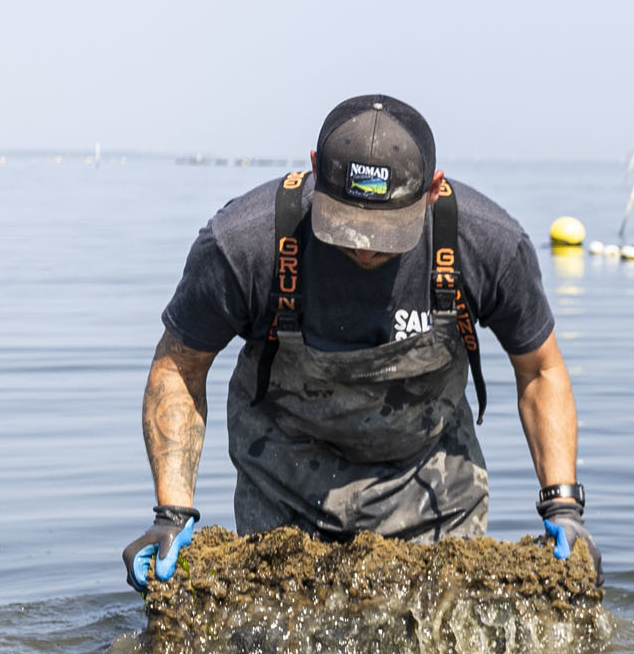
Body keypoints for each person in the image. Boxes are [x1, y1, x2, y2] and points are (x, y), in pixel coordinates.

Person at [124, 94, 593, 585]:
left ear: (433, 190)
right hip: (284, 490)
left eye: (387, 231)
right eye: (346, 224)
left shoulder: (487, 244)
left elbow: (541, 370)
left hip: (434, 493)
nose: (364, 247)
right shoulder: (244, 243)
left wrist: (563, 506)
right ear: (314, 170)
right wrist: (172, 513)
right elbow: (179, 367)